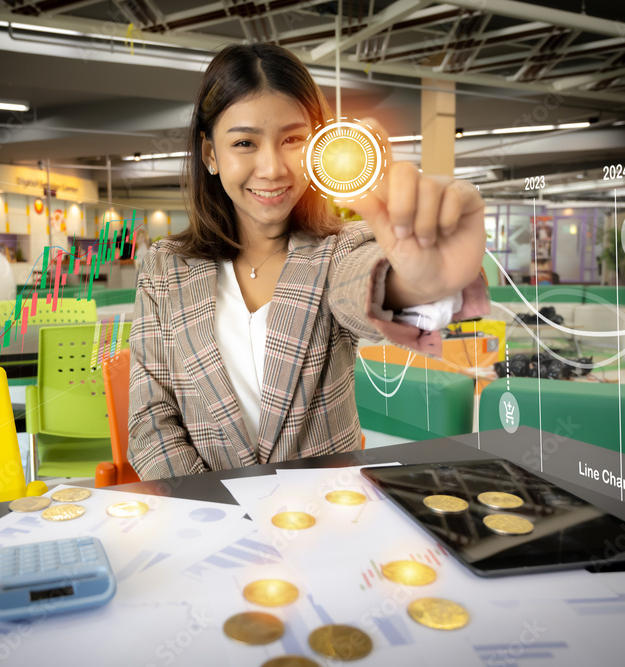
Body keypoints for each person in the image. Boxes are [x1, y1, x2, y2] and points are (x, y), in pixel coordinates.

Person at [128, 43, 489, 481]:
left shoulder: (338, 250)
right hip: (208, 513)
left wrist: (418, 280)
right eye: (244, 143)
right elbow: (151, 421)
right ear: (210, 155)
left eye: (293, 140)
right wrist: (212, 505)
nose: (272, 168)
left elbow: (366, 285)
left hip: (329, 509)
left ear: (319, 146)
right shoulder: (165, 269)